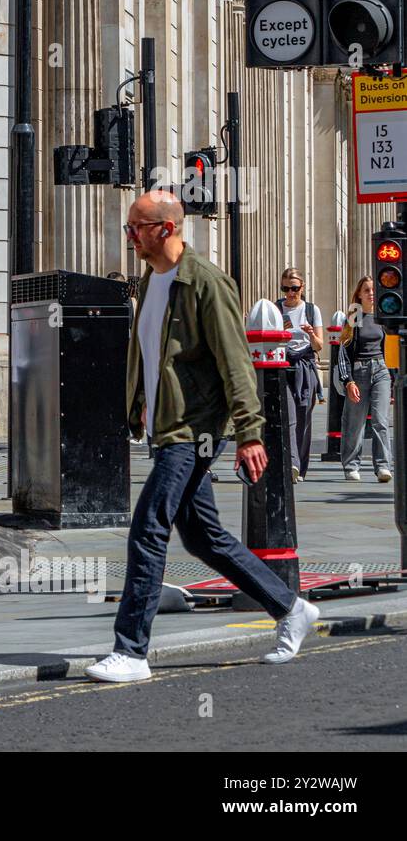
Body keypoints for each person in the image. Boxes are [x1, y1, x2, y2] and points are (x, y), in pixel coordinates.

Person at [86, 191, 319, 683]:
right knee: (202, 537)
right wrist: (138, 409)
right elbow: (151, 357)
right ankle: (291, 608)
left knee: (148, 527)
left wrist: (250, 434)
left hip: (194, 431)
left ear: (166, 229)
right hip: (165, 427)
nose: (129, 236)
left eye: (136, 227)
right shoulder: (151, 281)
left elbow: (235, 362)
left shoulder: (206, 283)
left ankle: (130, 650)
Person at [336, 275, 391, 483]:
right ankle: (351, 466)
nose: (371, 293)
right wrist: (348, 380)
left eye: (373, 289)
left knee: (381, 421)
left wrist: (394, 379)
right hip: (358, 371)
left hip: (381, 370)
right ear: (359, 294)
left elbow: (392, 348)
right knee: (354, 422)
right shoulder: (354, 315)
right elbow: (343, 351)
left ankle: (383, 466)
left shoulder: (385, 313)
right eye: (366, 290)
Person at [276, 268, 323, 483]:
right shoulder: (276, 309)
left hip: (305, 365)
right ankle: (292, 463)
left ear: (302, 288)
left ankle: (301, 467)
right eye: (285, 288)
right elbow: (268, 342)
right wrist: (281, 333)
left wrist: (311, 333)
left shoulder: (312, 310)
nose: (290, 293)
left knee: (304, 417)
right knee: (290, 416)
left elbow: (319, 346)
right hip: (283, 364)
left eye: (294, 289)